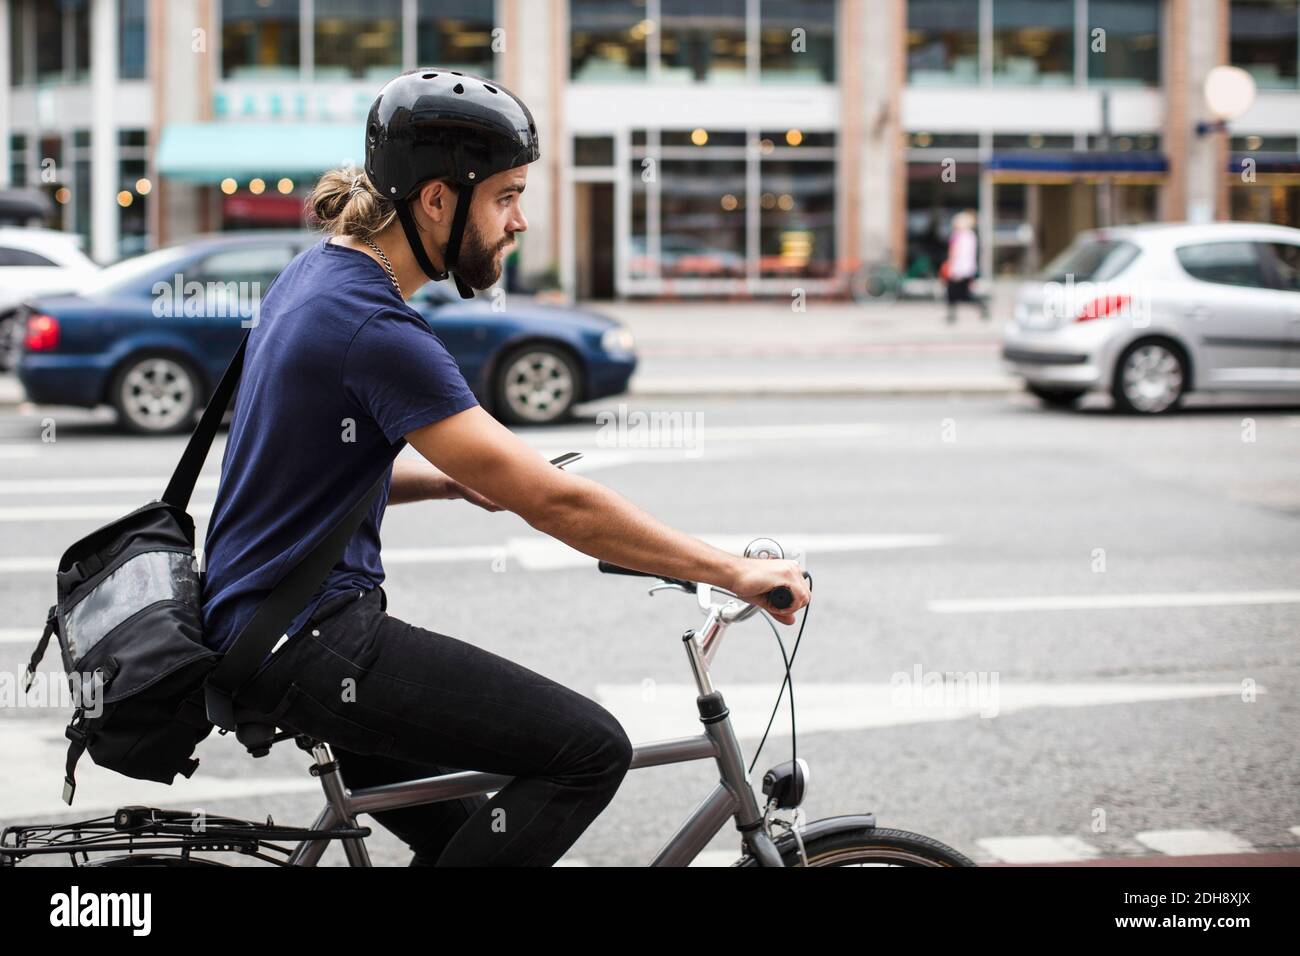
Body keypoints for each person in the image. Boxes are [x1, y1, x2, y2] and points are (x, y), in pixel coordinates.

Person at [199, 68, 810, 867]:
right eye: (507, 195)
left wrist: (449, 477)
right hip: (311, 642)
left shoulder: (318, 273)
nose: (521, 221)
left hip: (268, 630)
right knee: (588, 750)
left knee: (473, 841)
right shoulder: (375, 328)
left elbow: (308, 460)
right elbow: (554, 502)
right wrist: (730, 570)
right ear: (438, 200)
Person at [941, 209, 989, 323]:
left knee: (955, 293)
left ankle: (953, 315)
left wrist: (951, 266)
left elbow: (953, 252)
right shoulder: (971, 236)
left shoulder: (957, 236)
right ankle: (980, 307)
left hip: (958, 269)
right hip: (968, 269)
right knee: (961, 294)